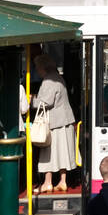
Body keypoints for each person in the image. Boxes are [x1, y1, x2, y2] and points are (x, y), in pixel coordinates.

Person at [31, 53, 76, 192]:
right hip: (65, 120)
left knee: (48, 153)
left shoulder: (48, 80)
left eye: (37, 67)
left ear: (42, 67)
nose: (36, 70)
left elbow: (46, 102)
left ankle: (47, 183)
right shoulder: (58, 78)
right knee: (63, 152)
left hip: (55, 123)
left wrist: (32, 100)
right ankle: (63, 181)